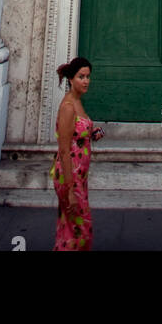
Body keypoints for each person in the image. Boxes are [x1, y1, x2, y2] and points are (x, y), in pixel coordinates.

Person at [50, 56, 103, 251]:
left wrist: (92, 134)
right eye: (81, 76)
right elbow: (64, 149)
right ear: (71, 79)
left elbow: (77, 134)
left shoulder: (78, 102)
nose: (86, 81)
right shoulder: (67, 107)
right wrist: (70, 189)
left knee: (70, 229)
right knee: (80, 228)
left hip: (79, 176)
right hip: (69, 175)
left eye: (88, 76)